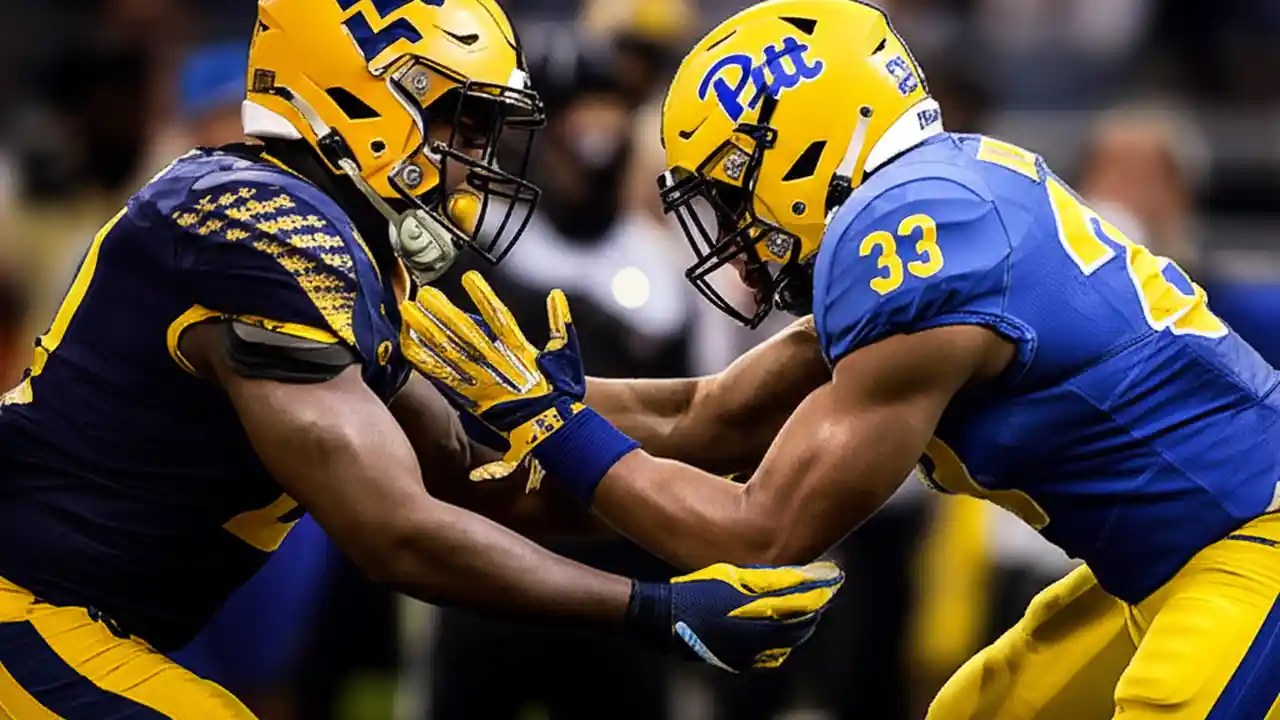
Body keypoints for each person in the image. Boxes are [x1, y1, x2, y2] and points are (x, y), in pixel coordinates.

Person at [402, 0, 1280, 717]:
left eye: (732, 188)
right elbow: (711, 416)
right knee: (981, 710)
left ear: (802, 141)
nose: (737, 241)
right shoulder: (934, 202)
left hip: (1251, 543)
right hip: (1168, 564)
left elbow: (763, 533)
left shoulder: (916, 235)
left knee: (1172, 704)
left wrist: (561, 430)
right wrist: (513, 393)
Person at [0, 1, 846, 717]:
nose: (474, 152)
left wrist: (840, 327)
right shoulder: (261, 224)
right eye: (457, 116)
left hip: (75, 617)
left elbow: (487, 472)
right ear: (355, 84)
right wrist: (655, 610)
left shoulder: (346, 247)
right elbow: (396, 532)